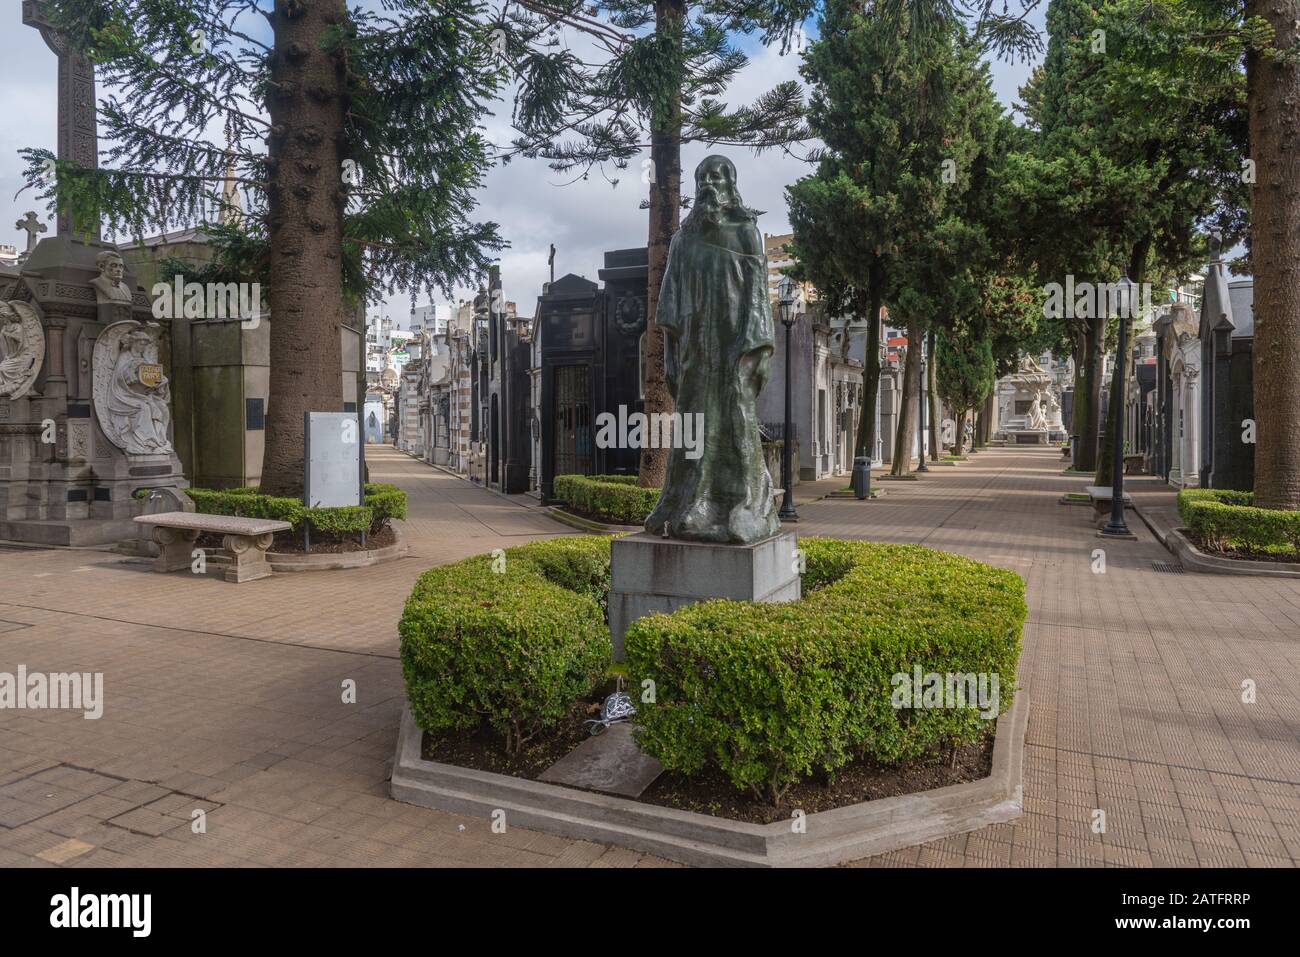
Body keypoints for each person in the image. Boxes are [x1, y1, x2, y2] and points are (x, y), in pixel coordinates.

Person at [643, 155, 779, 544]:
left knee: (737, 423)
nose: (709, 183)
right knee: (693, 424)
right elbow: (668, 304)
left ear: (730, 184)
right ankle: (689, 502)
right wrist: (671, 355)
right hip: (695, 353)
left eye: (717, 176)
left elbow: (756, 298)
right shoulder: (683, 240)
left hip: (736, 349)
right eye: (703, 177)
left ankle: (743, 505)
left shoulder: (746, 234)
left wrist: (762, 351)